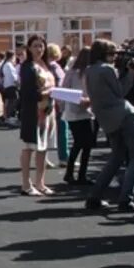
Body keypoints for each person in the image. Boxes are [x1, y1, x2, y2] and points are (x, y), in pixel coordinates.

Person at [83, 40, 134, 214]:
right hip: (124, 115)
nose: (114, 57)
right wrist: (131, 73)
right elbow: (121, 91)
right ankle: (126, 199)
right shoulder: (107, 70)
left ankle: (94, 196)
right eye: (112, 53)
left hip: (107, 119)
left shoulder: (90, 70)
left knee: (116, 157)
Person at [18, 35, 55, 196]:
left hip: (47, 111)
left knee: (43, 148)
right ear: (29, 48)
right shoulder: (27, 67)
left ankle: (40, 182)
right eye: (35, 46)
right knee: (29, 147)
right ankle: (26, 184)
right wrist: (47, 93)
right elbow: (27, 92)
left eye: (41, 46)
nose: (39, 49)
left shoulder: (46, 65)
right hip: (33, 112)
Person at [60, 48, 94, 186]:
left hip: (75, 112)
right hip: (83, 111)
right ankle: (78, 174)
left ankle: (73, 173)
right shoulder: (85, 72)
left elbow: (63, 89)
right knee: (84, 144)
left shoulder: (72, 72)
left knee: (81, 144)